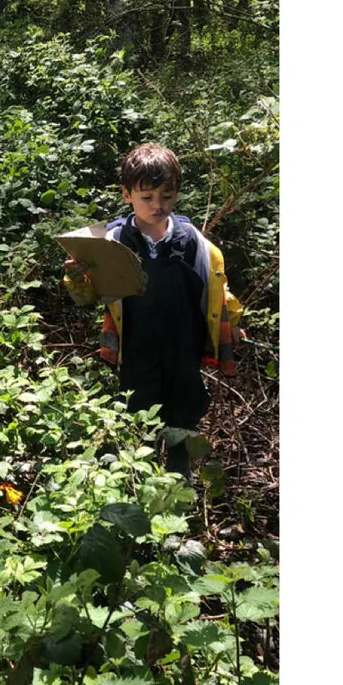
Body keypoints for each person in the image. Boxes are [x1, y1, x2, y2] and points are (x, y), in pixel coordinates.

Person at [62, 141, 243, 479]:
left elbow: (218, 288)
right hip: (136, 351)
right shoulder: (110, 241)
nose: (157, 206)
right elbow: (87, 297)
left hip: (183, 350)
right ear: (126, 194)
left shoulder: (193, 241)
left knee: (183, 417)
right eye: (147, 198)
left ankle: (179, 488)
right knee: (138, 416)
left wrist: (232, 322)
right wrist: (76, 276)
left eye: (167, 197)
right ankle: (140, 485)